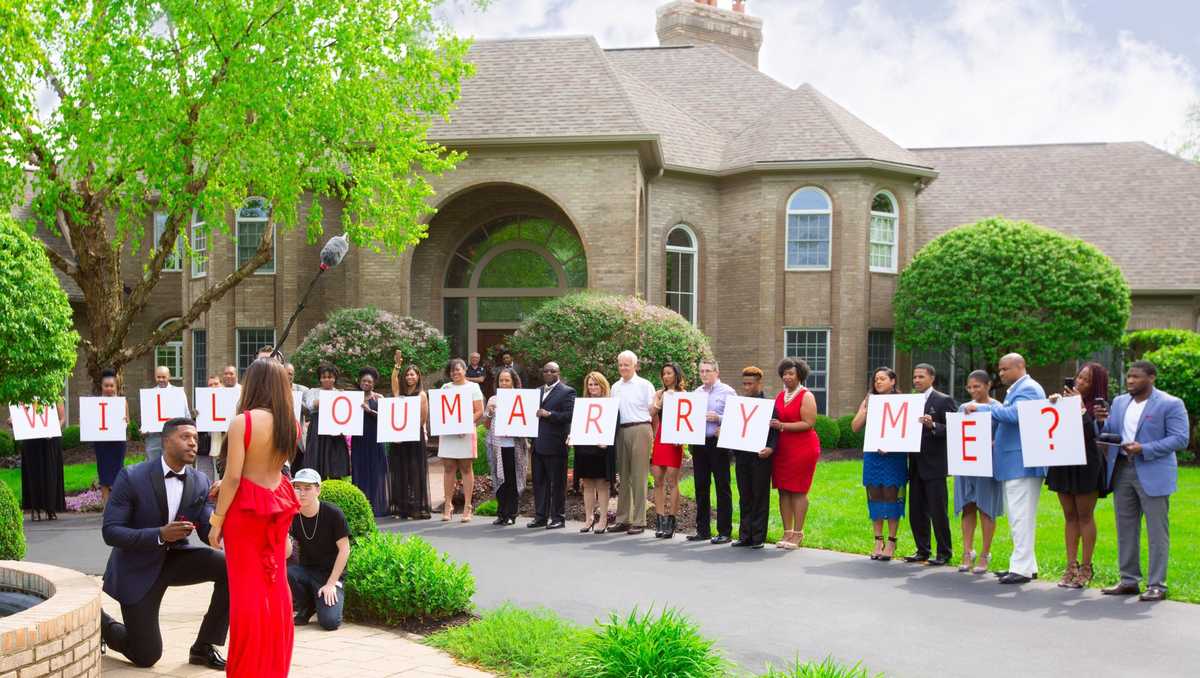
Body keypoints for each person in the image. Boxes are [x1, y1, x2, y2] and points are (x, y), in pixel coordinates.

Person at [99, 417, 228, 670]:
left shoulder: (200, 481)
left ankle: (204, 647)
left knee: (228, 566)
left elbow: (207, 532)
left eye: (195, 437)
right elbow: (110, 532)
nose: (193, 443)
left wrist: (227, 503)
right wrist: (159, 534)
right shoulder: (132, 476)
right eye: (185, 437)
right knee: (146, 656)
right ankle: (100, 624)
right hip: (137, 566)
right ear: (166, 441)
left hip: (174, 560)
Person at [208, 358, 301, 676]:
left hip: (245, 514)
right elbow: (267, 468)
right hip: (277, 505)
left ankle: (248, 668)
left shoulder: (243, 423)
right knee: (276, 587)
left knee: (246, 592)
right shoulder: (290, 423)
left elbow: (234, 477)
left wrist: (216, 521)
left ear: (253, 385)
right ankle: (274, 666)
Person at [1096, 360, 1190, 602]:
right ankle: (1128, 580)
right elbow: (1111, 431)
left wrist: (1144, 448)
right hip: (1122, 470)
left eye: (1136, 377)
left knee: (1157, 530)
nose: (1130, 381)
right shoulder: (1119, 402)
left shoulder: (1170, 404)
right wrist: (1100, 423)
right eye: (1128, 376)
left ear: (1151, 378)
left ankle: (1157, 584)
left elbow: (1180, 439)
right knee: (1125, 527)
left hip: (1153, 470)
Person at [964, 353, 1046, 585]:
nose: (1001, 374)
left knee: (1020, 516)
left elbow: (1015, 415)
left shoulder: (1028, 389)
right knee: (1021, 516)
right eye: (1000, 370)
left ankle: (1020, 568)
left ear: (1020, 366)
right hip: (1016, 462)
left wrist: (982, 409)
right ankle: (1026, 565)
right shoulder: (1020, 389)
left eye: (1005, 369)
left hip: (1020, 462)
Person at [1045, 362, 1110, 588]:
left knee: (1085, 516)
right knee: (1069, 516)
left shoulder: (1099, 407)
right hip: (1063, 462)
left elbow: (1094, 433)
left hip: (1086, 464)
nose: (1080, 382)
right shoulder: (1064, 402)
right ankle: (1070, 566)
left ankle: (1086, 566)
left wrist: (1080, 407)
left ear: (1096, 385)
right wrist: (1054, 405)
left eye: (1087, 380)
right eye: (1079, 377)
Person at [850, 367, 907, 561]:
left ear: (893, 381)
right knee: (874, 495)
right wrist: (866, 409)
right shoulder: (869, 401)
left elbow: (907, 432)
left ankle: (891, 541)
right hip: (873, 456)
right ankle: (877, 540)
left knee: (891, 495)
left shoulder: (902, 402)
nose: (878, 382)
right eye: (876, 380)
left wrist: (891, 445)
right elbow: (855, 427)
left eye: (882, 379)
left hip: (894, 457)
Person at [903, 364, 957, 566]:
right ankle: (922, 549)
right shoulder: (909, 402)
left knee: (937, 510)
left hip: (934, 465)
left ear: (931, 378)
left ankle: (944, 552)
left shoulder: (943, 400)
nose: (916, 380)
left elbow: (953, 428)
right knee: (916, 510)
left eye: (921, 377)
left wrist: (933, 425)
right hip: (915, 464)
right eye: (914, 377)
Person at [953, 370, 1005, 574]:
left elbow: (1003, 435)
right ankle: (967, 552)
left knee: (986, 508)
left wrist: (993, 443)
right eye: (970, 387)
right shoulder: (963, 408)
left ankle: (985, 553)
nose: (973, 390)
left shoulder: (997, 408)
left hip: (987, 465)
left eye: (977, 386)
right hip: (966, 464)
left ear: (988, 385)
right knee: (967, 506)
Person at [286, 469, 350, 630]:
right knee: (287, 572)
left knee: (330, 623)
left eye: (308, 488)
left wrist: (331, 583)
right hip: (307, 571)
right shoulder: (291, 515)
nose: (302, 493)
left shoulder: (333, 513)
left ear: (318, 490)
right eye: (298, 488)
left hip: (331, 575)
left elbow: (345, 550)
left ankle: (321, 600)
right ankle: (307, 607)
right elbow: (286, 553)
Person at [769, 358, 820, 550]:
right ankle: (787, 532)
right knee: (783, 490)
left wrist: (782, 425)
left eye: (791, 373)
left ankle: (798, 533)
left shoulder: (806, 396)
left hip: (802, 448)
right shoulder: (780, 396)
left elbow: (809, 423)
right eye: (785, 373)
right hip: (783, 448)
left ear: (799, 375)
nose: (787, 377)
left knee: (798, 490)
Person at [688, 360, 737, 544]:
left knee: (722, 487)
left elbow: (737, 416)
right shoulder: (696, 393)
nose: (704, 374)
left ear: (717, 372)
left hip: (718, 444)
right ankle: (703, 530)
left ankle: (724, 531)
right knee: (701, 486)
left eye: (708, 371)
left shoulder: (727, 391)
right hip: (699, 444)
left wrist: (719, 419)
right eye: (701, 371)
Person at [610, 350, 655, 535]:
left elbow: (652, 410)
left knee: (638, 475)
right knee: (624, 475)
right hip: (621, 430)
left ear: (635, 365)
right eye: (620, 364)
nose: (623, 368)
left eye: (626, 365)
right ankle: (623, 519)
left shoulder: (645, 385)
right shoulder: (615, 387)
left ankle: (639, 520)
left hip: (640, 429)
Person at [527, 362, 575, 530]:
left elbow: (569, 415)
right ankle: (540, 517)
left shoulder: (567, 391)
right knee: (539, 483)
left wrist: (549, 414)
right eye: (545, 370)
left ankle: (558, 518)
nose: (548, 373)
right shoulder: (537, 392)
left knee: (557, 484)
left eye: (552, 371)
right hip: (538, 444)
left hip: (556, 445)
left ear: (558, 372)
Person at [732, 366, 775, 549]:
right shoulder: (739, 405)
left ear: (759, 383)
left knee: (759, 496)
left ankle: (758, 537)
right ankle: (745, 535)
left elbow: (774, 433)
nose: (747, 387)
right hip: (742, 456)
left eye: (750, 383)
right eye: (744, 384)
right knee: (745, 496)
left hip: (760, 457)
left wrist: (771, 448)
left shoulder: (768, 406)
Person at [438, 358, 485, 522]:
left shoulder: (473, 387)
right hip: (449, 434)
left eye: (458, 369)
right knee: (449, 467)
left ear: (465, 370)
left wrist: (463, 425)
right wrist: (452, 426)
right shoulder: (445, 388)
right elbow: (441, 411)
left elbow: (479, 410)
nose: (455, 373)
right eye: (452, 370)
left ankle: (467, 506)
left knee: (466, 468)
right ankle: (448, 505)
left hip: (465, 433)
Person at [483, 367, 531, 526]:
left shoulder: (521, 398)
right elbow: (486, 425)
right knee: (499, 480)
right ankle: (501, 513)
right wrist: (489, 412)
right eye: (501, 380)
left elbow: (527, 423)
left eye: (507, 380)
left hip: (514, 446)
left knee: (512, 479)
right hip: (497, 446)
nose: (503, 383)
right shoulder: (493, 399)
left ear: (513, 382)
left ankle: (511, 513)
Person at [573, 371, 616, 534]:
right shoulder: (583, 404)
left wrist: (607, 442)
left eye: (595, 384)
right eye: (590, 384)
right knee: (588, 484)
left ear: (602, 385)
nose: (592, 387)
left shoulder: (610, 404)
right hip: (585, 449)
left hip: (602, 449)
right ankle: (589, 518)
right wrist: (572, 436)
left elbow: (614, 425)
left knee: (602, 485)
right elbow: (577, 425)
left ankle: (603, 519)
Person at [389, 362, 432, 519]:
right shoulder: (399, 393)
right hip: (400, 438)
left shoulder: (421, 395)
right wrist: (396, 367)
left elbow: (422, 418)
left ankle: (416, 508)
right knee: (401, 472)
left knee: (414, 472)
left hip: (414, 437)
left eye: (412, 374)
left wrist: (408, 432)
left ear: (418, 376)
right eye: (407, 374)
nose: (409, 377)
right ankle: (402, 508)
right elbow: (393, 379)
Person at [649, 363, 686, 539]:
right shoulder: (659, 393)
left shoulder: (684, 394)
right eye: (663, 373)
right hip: (660, 437)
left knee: (672, 480)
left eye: (669, 373)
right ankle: (660, 520)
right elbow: (651, 413)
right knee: (658, 480)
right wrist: (662, 400)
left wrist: (683, 439)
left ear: (676, 375)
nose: (665, 376)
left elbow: (688, 421)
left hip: (675, 439)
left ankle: (671, 520)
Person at [350, 367, 389, 517]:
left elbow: (386, 418)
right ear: (360, 382)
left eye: (370, 381)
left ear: (374, 383)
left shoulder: (379, 398)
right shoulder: (352, 398)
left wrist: (370, 411)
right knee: (359, 470)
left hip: (374, 439)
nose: (366, 383)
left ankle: (376, 505)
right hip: (358, 440)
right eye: (364, 381)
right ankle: (361, 506)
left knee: (376, 470)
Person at [301, 364, 351, 480]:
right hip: (317, 427)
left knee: (334, 460)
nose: (327, 379)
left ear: (335, 378)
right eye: (324, 377)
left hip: (335, 429)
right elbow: (310, 405)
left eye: (330, 377)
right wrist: (331, 399)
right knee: (317, 457)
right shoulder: (313, 391)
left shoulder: (340, 393)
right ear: (320, 378)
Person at [18, 401, 66, 521]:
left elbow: (62, 418)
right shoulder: (24, 395)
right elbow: (21, 417)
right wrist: (13, 422)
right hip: (31, 440)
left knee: (51, 474)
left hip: (50, 440)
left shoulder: (54, 394)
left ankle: (51, 508)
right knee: (33, 473)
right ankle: (35, 508)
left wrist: (54, 430)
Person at [95, 369, 128, 507]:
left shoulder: (122, 402)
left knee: (117, 471)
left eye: (111, 385)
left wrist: (125, 421)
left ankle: (117, 505)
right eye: (106, 386)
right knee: (103, 474)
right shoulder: (95, 403)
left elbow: (128, 422)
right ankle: (106, 506)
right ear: (101, 387)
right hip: (101, 443)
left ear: (116, 386)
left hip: (117, 443)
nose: (109, 388)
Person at [202, 367, 238, 482]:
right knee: (217, 469)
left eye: (216, 384)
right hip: (216, 439)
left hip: (232, 438)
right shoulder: (206, 399)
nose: (213, 387)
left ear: (221, 384)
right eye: (210, 385)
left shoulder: (233, 394)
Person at [143, 365, 175, 462]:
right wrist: (144, 428)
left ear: (169, 376)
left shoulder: (177, 393)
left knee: (173, 463)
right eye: (158, 377)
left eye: (163, 377)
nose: (161, 379)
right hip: (154, 437)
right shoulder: (149, 394)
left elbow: (186, 415)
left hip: (173, 435)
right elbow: (146, 416)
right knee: (153, 465)